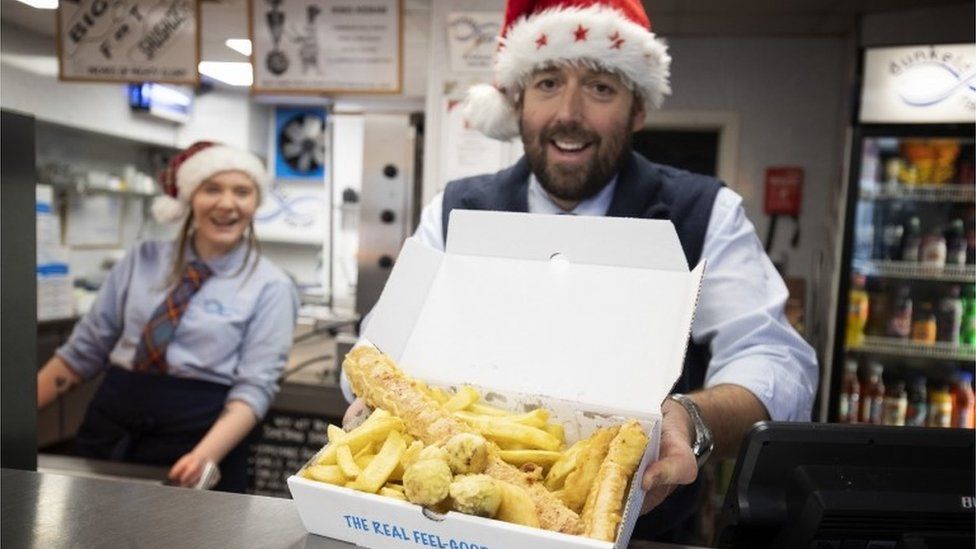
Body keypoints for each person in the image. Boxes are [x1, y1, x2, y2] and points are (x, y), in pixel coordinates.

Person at [343, 0, 818, 542]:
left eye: (600, 87)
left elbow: (780, 362)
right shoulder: (457, 211)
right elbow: (374, 353)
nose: (569, 113)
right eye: (546, 82)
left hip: (643, 531)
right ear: (515, 100)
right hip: (450, 529)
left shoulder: (705, 213)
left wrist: (690, 416)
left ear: (638, 108)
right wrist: (375, 397)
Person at [37, 142, 299, 493]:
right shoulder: (142, 259)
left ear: (255, 203)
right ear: (190, 197)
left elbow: (254, 389)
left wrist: (202, 457)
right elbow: (83, 352)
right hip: (110, 427)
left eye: (242, 192)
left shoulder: (271, 286)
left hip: (201, 436)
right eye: (212, 189)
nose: (227, 203)